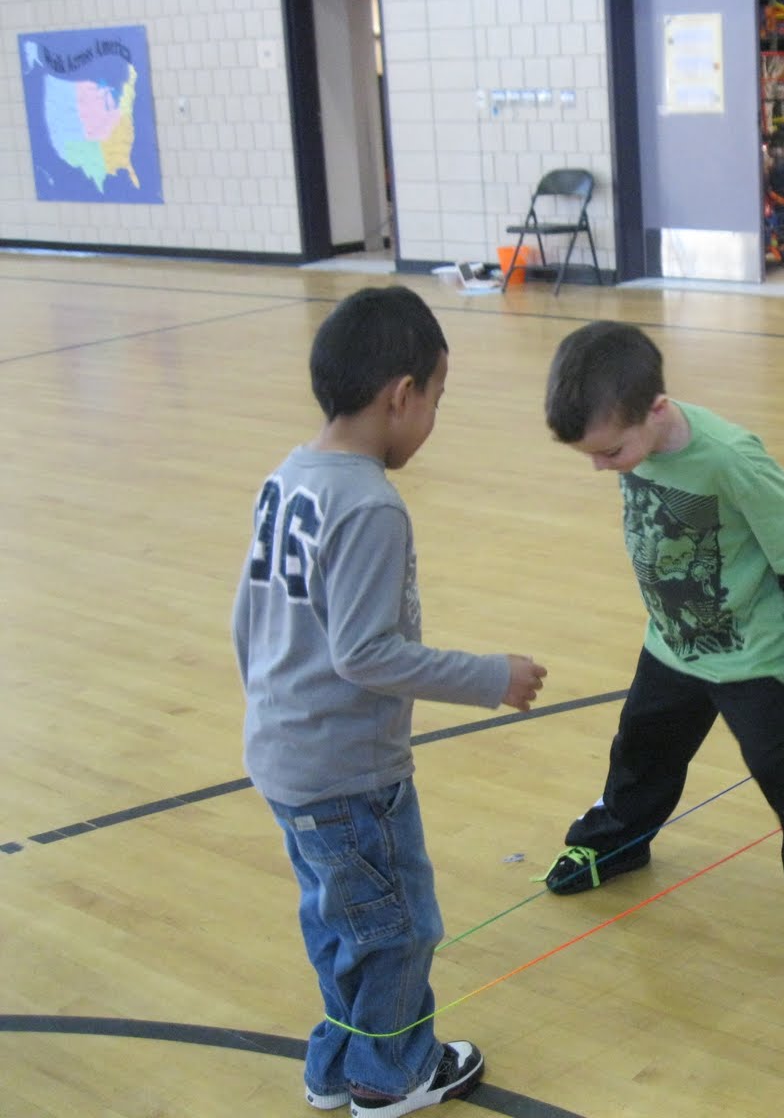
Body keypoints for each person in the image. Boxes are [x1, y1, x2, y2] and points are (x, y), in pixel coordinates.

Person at [232, 286, 547, 1116]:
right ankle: (392, 1077)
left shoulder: (287, 478)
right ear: (400, 395)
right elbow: (367, 653)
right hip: (348, 774)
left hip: (282, 755)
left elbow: (248, 619)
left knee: (338, 923)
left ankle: (335, 1064)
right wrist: (492, 676)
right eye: (437, 399)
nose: (435, 417)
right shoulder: (369, 503)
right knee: (399, 927)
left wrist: (271, 717)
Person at [540, 320, 784, 987]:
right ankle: (620, 843)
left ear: (657, 411)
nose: (601, 468)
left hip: (753, 657)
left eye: (610, 453)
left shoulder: (730, 458)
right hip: (671, 643)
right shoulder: (632, 436)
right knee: (641, 748)